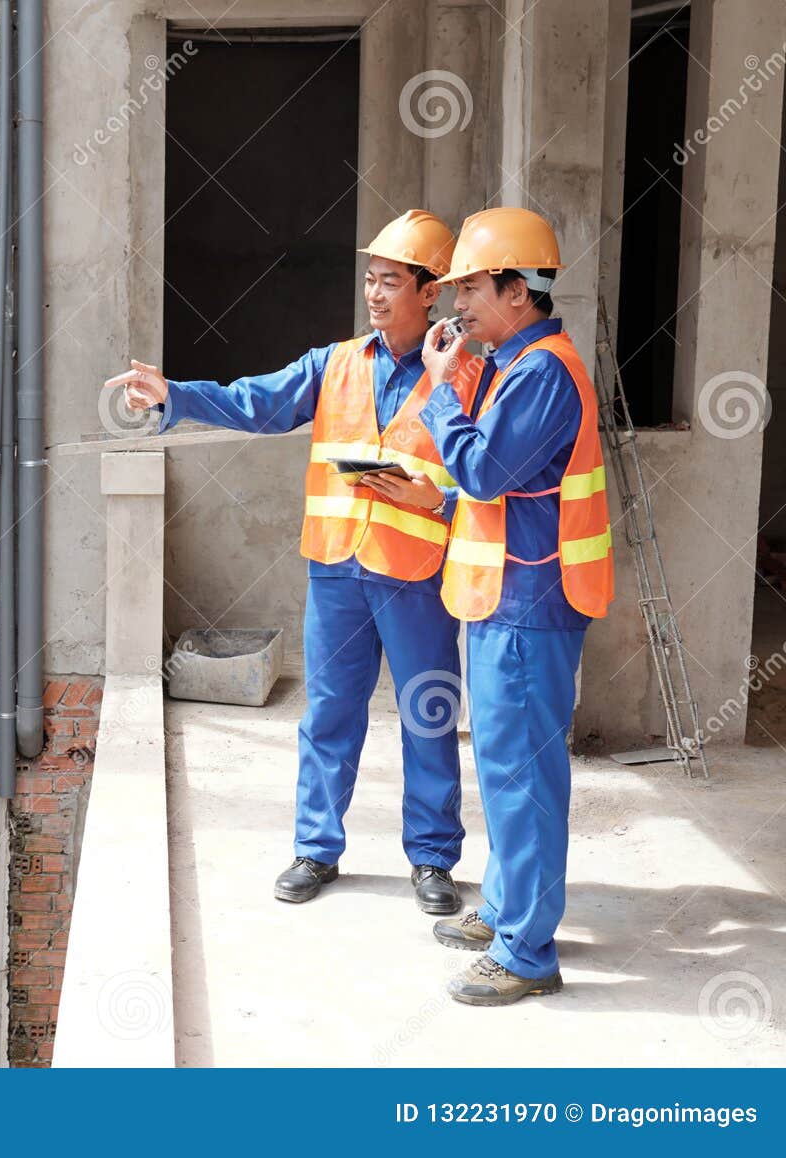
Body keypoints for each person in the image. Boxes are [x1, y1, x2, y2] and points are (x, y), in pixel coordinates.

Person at [105, 210, 481, 916]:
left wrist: (441, 500)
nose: (374, 294)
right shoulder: (333, 364)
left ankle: (432, 859)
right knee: (330, 712)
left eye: (391, 282)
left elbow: (484, 472)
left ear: (431, 293)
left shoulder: (459, 373)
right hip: (337, 570)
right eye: (370, 280)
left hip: (414, 572)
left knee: (427, 714)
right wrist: (176, 396)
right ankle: (316, 849)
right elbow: (258, 401)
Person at [369, 206, 614, 1005]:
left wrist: (442, 391)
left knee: (523, 779)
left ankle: (526, 952)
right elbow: (490, 485)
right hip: (506, 598)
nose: (457, 303)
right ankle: (510, 911)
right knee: (509, 771)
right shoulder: (518, 363)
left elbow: (485, 471)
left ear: (519, 291)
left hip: (529, 603)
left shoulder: (544, 372)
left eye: (471, 287)